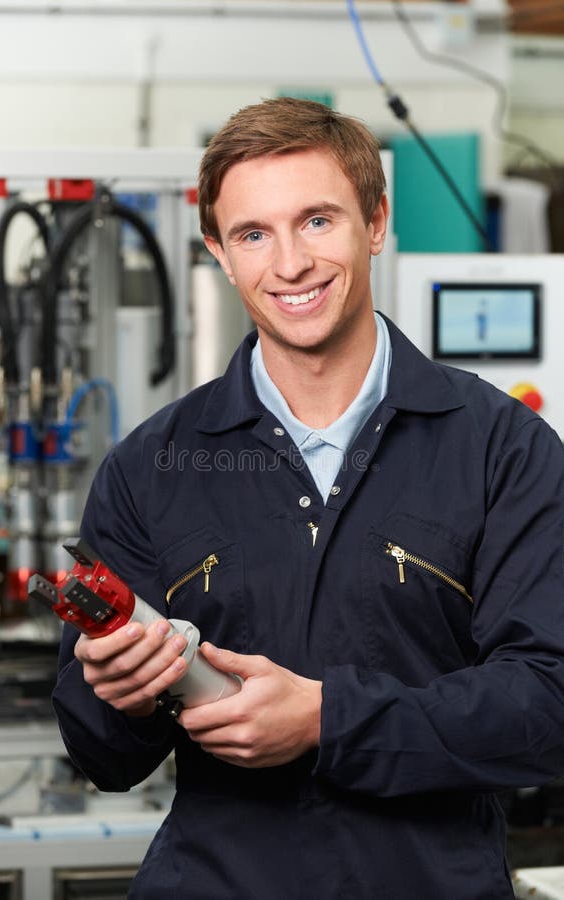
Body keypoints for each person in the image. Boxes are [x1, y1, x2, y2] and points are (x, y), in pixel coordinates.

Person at [52, 98, 564, 900]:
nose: (289, 264)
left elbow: (549, 705)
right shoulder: (151, 465)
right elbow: (102, 760)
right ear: (219, 253)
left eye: (316, 221)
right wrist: (121, 692)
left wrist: (331, 719)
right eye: (253, 234)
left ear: (375, 222)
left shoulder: (502, 448)